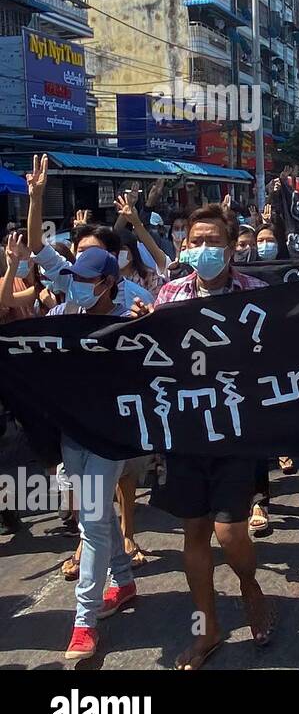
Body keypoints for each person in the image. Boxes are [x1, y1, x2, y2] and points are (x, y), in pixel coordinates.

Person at [147, 202, 275, 669]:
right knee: (195, 533)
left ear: (230, 248)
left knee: (230, 531)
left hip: (237, 432)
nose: (204, 249)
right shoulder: (169, 297)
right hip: (185, 433)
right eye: (196, 242)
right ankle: (208, 630)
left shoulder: (257, 295)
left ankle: (249, 583)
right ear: (185, 247)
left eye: (213, 242)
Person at [40, 247, 139, 660]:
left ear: (108, 283)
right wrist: (37, 198)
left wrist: (144, 329)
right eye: (75, 277)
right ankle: (124, 578)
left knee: (92, 523)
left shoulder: (127, 320)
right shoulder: (62, 317)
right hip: (73, 432)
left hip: (109, 433)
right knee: (95, 514)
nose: (78, 284)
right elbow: (43, 260)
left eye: (88, 279)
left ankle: (84, 624)